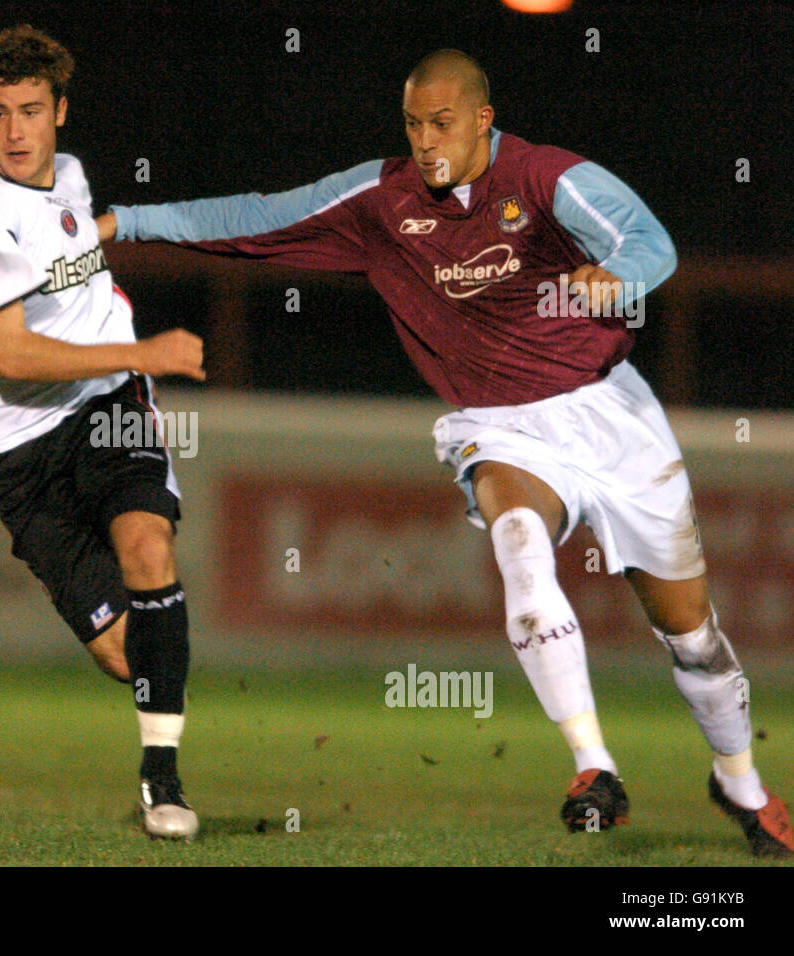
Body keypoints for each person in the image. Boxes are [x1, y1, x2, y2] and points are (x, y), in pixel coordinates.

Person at [98, 48, 792, 856]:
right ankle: (593, 764)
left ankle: (739, 781)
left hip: (610, 415)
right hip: (501, 425)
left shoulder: (545, 179)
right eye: (413, 124)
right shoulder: (382, 200)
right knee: (520, 545)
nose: (426, 141)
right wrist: (127, 221)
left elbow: (649, 240)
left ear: (482, 120)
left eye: (442, 123)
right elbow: (258, 216)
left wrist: (622, 276)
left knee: (693, 637)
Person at [0, 25, 205, 839]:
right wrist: (143, 346)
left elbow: (72, 240)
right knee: (126, 654)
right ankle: (163, 681)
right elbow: (7, 354)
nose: (15, 132)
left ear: (60, 113)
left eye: (32, 111)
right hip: (19, 451)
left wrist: (137, 230)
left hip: (109, 404)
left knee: (150, 545)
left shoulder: (70, 177)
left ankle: (164, 781)